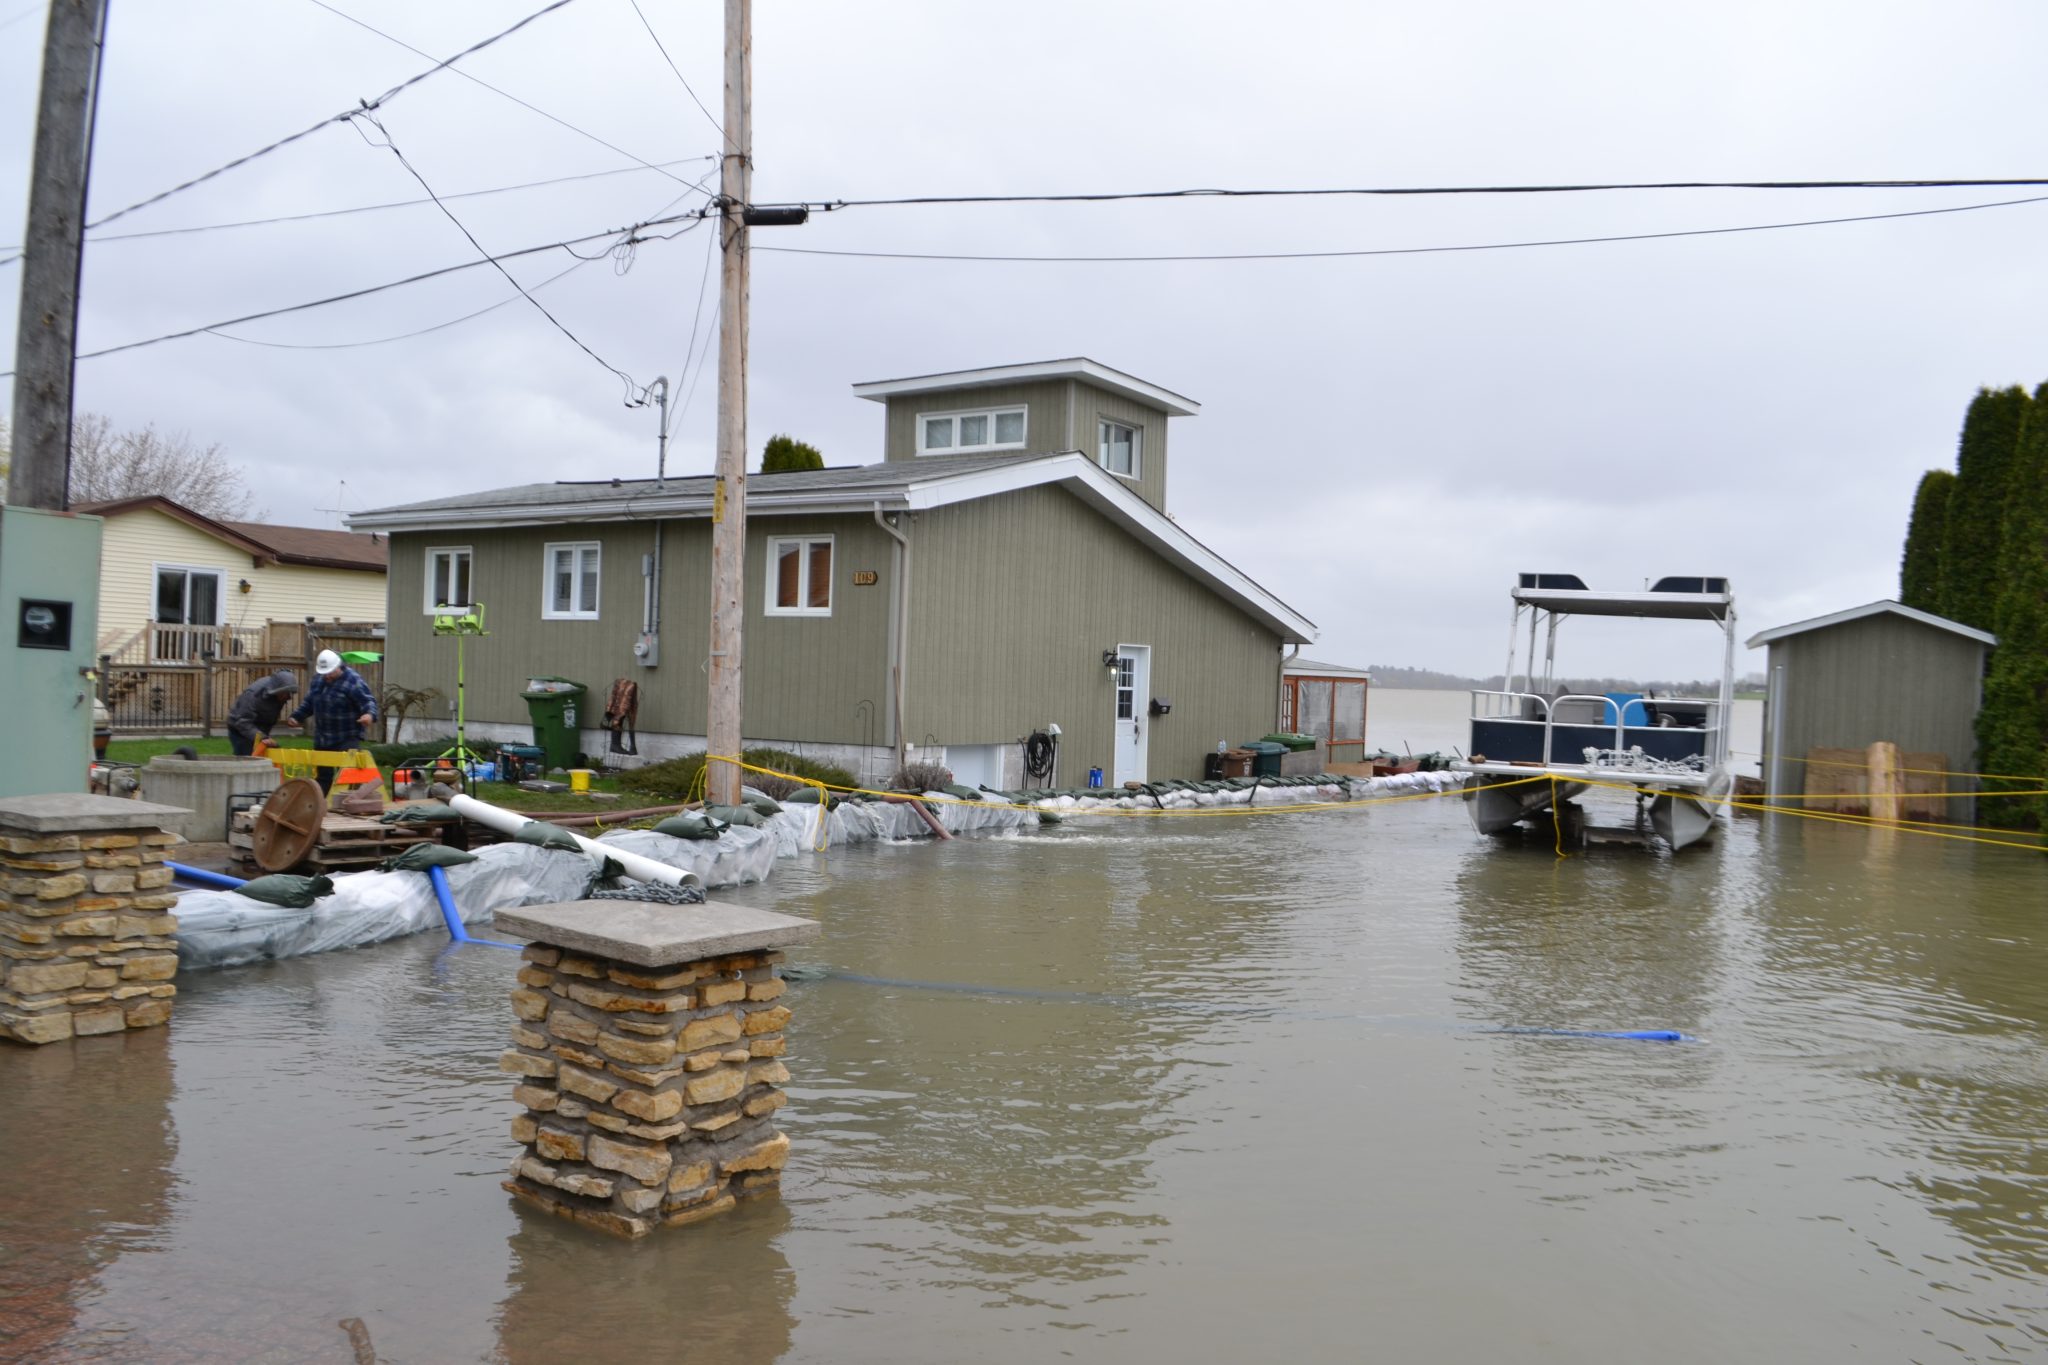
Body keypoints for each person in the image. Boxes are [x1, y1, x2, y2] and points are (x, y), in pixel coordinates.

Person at [291, 650, 379, 794]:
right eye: (325, 673)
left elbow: (367, 701)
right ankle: (320, 805)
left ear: (339, 666)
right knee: (323, 776)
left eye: (330, 672)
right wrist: (297, 716)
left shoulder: (353, 680)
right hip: (323, 737)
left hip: (347, 735)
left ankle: (351, 803)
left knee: (350, 774)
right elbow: (310, 702)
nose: (327, 676)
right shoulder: (318, 680)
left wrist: (369, 715)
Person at [224, 669, 301, 756]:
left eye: (289, 693)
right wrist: (262, 738)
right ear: (277, 689)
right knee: (247, 758)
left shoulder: (280, 694)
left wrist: (264, 737)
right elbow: (243, 722)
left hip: (258, 726)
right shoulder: (254, 695)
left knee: (264, 756)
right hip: (239, 729)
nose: (287, 697)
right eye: (285, 693)